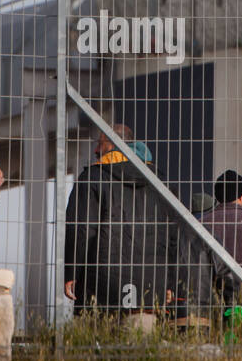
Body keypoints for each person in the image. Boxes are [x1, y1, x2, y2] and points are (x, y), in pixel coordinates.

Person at [62, 125, 184, 315]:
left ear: (112, 145)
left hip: (102, 285)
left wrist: (71, 272)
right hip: (151, 285)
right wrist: (168, 281)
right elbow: (173, 236)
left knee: (98, 340)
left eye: (99, 144)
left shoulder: (93, 178)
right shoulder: (162, 185)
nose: (95, 151)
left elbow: (81, 230)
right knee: (143, 342)